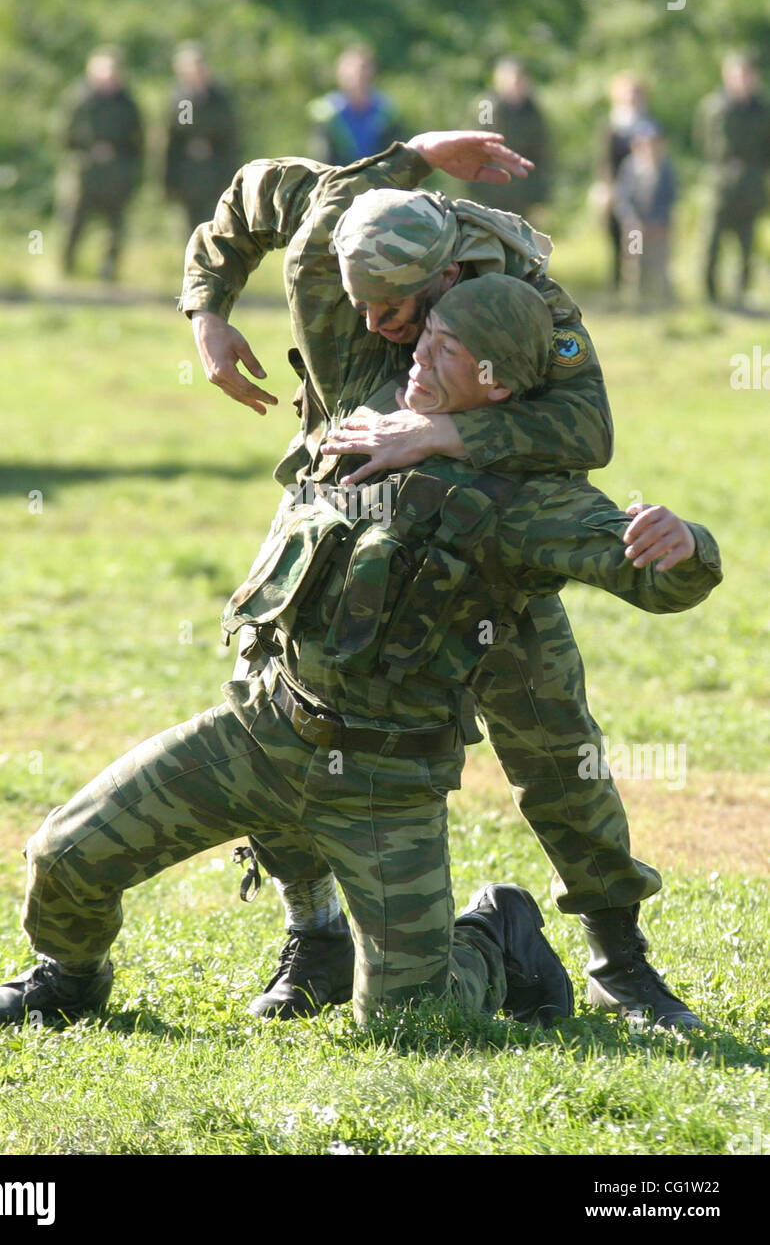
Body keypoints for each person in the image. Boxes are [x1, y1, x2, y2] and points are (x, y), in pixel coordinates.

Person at [0, 275, 720, 1034]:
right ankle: (72, 981)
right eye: (430, 333)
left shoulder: (532, 498)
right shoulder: (370, 402)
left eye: (449, 349)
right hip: (262, 733)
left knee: (409, 1021)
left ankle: (497, 936)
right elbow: (309, 224)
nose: (421, 354)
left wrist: (683, 547)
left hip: (385, 783)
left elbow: (653, 576)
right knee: (63, 856)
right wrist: (211, 304)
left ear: (497, 386)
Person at [184, 133, 705, 1030]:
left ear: (451, 281)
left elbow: (587, 428)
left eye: (402, 313)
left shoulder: (520, 297)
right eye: (362, 309)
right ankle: (313, 938)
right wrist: (208, 309)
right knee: (273, 713)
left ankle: (621, 964)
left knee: (554, 745)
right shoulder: (340, 227)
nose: (382, 329)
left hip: (492, 538)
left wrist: (443, 437)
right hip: (343, 519)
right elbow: (255, 192)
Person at [694, 52, 770, 308]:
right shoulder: (714, 107)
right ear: (727, 77)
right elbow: (703, 142)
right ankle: (710, 295)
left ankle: (741, 293)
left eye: (747, 76)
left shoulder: (762, 110)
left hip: (751, 183)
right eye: (737, 75)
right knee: (711, 240)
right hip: (720, 183)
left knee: (747, 244)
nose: (743, 81)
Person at [61, 47, 144, 282]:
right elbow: (66, 136)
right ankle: (67, 267)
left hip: (117, 175)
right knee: (74, 222)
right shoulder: (79, 100)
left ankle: (109, 271)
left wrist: (123, 163)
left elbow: (138, 141)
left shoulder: (127, 104)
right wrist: (87, 154)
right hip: (85, 174)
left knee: (115, 228)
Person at [163, 42, 239, 234]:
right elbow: (180, 131)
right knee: (192, 227)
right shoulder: (184, 100)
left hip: (217, 171)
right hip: (189, 175)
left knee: (219, 223)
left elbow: (229, 134)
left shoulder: (219, 98)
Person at [467, 57, 552, 220]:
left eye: (520, 81)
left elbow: (541, 152)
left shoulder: (532, 110)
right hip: (491, 185)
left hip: (522, 189)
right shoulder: (488, 106)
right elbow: (478, 142)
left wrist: (540, 194)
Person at [595, 73, 654, 292]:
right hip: (616, 189)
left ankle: (638, 283)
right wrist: (606, 188)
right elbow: (604, 160)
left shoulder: (648, 125)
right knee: (615, 236)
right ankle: (617, 284)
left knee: (637, 236)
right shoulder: (611, 125)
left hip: (641, 190)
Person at [614, 121, 677, 307]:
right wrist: (632, 220)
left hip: (659, 227)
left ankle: (662, 300)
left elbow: (670, 197)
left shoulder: (665, 167)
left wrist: (660, 220)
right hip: (634, 228)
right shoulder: (630, 167)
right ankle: (636, 302)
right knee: (634, 264)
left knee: (659, 262)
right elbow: (623, 198)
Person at [308, 46, 404, 166]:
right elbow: (322, 157)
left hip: (379, 178)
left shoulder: (386, 111)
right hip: (338, 178)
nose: (358, 75)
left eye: (363, 68)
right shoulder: (327, 112)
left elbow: (395, 155)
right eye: (351, 69)